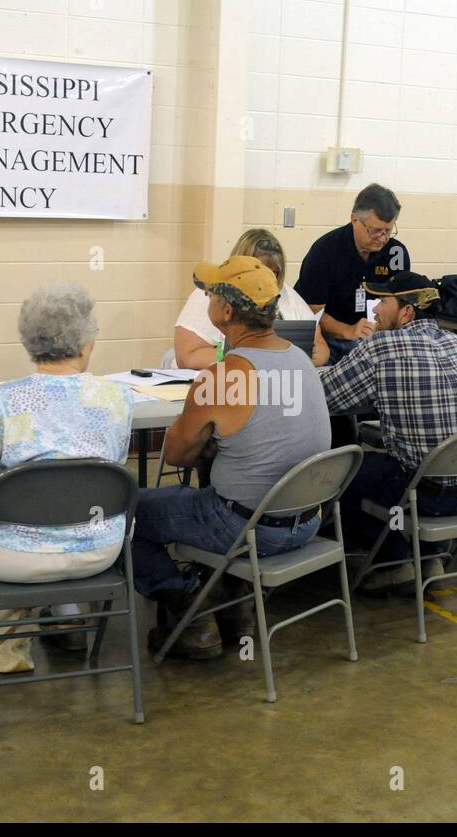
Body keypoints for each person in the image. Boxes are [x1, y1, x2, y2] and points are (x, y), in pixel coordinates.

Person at [0, 282, 135, 672]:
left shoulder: (2, 402)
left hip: (15, 558)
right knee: (68, 501)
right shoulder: (119, 400)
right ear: (86, 342)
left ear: (28, 341)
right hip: (101, 551)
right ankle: (69, 614)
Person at [134, 256, 332, 658]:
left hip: (248, 527)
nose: (204, 299)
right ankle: (234, 601)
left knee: (127, 512)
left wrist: (207, 442)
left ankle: (190, 610)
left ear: (225, 310)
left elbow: (175, 454)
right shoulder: (302, 360)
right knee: (225, 494)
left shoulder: (223, 376)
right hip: (309, 520)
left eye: (208, 294)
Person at [320, 273, 457, 592]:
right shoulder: (453, 342)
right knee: (404, 461)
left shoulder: (382, 345)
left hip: (425, 494)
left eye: (383, 302)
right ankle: (429, 557)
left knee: (339, 473)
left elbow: (324, 396)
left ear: (407, 311)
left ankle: (394, 562)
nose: (375, 310)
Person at [174, 228, 328, 369]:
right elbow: (187, 357)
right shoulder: (214, 294)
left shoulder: (287, 295)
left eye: (273, 273)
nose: (266, 279)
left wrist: (299, 357)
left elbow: (320, 348)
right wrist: (261, 358)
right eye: (258, 270)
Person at [296, 183, 412, 363]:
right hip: (330, 337)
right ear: (354, 219)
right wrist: (347, 330)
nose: (382, 238)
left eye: (388, 231)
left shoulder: (396, 253)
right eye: (375, 231)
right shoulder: (325, 251)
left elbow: (399, 304)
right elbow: (312, 310)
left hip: (376, 339)